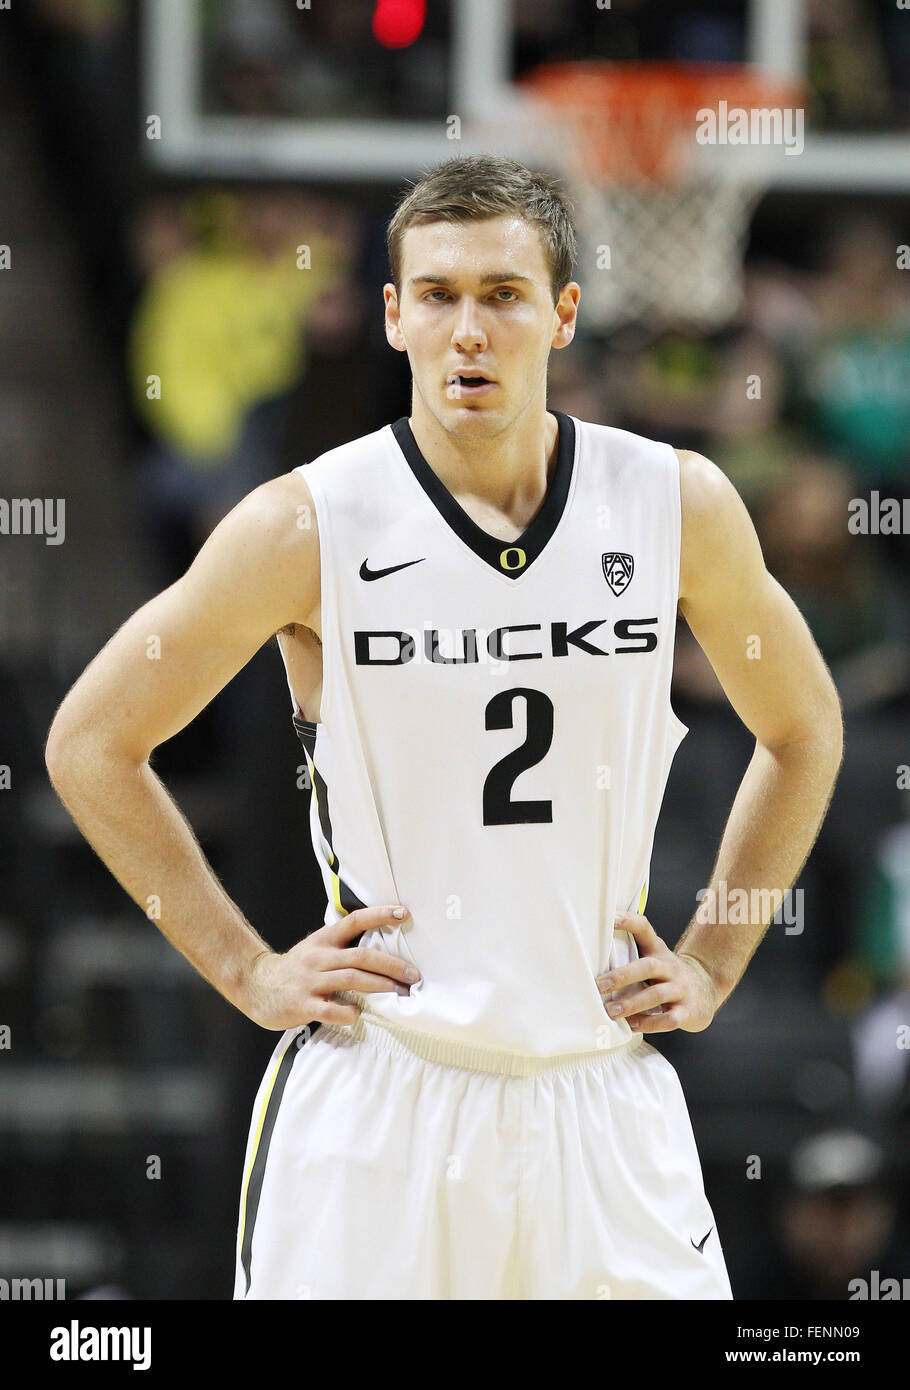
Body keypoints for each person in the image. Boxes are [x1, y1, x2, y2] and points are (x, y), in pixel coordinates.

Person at [45, 156, 844, 1301]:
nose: (468, 330)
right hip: (385, 1101)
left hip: (600, 1092)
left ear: (562, 314)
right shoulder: (303, 525)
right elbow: (90, 743)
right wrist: (246, 969)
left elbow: (806, 729)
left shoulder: (676, 506)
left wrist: (717, 955)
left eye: (503, 295)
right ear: (393, 314)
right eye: (438, 294)